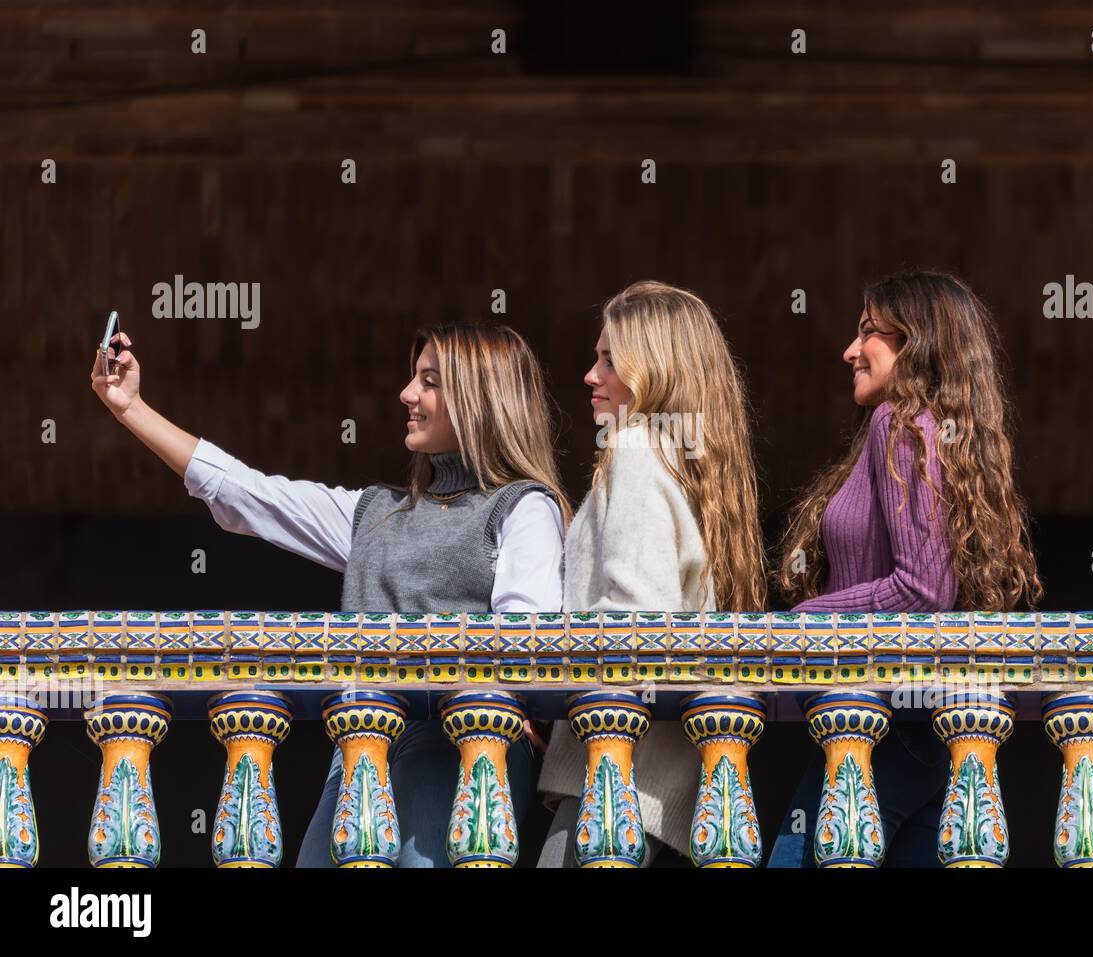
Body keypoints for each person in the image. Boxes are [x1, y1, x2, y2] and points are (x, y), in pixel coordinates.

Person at [90, 321, 569, 867]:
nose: (406, 394)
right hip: (361, 751)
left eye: (429, 381)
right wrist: (130, 408)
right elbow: (251, 495)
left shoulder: (524, 507)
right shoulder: (376, 512)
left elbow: (525, 643)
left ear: (482, 399)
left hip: (458, 748)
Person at [768, 269, 1043, 867]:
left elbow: (922, 590)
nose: (849, 350)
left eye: (868, 331)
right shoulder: (922, 431)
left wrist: (801, 621)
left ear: (914, 342)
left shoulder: (900, 427)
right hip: (920, 731)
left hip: (881, 730)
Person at [536, 280, 767, 866]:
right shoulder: (685, 464)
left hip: (611, 781)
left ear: (655, 370)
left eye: (610, 360)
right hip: (656, 788)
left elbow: (632, 621)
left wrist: (537, 684)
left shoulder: (636, 451)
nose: (591, 376)